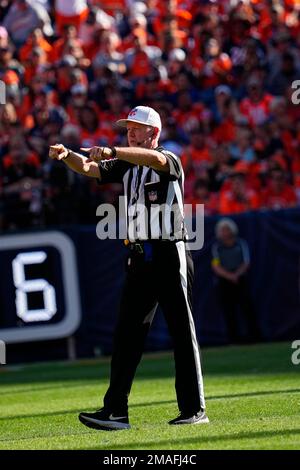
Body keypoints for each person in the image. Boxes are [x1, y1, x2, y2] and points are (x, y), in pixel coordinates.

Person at [49, 105, 209, 430]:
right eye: (127, 128)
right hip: (139, 257)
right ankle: (116, 411)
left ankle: (194, 409)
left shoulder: (167, 158)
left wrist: (114, 150)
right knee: (126, 336)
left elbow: (156, 160)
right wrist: (67, 155)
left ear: (154, 133)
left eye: (136, 128)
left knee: (182, 332)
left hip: (168, 252)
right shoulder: (127, 166)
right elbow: (92, 169)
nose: (130, 132)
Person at [211, 218, 259, 344]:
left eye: (227, 229)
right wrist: (229, 276)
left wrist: (237, 274)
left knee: (247, 309)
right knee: (229, 312)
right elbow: (216, 266)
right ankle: (234, 339)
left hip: (240, 279)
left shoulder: (240, 244)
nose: (225, 232)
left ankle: (254, 337)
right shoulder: (217, 247)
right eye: (222, 230)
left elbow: (246, 261)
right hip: (225, 282)